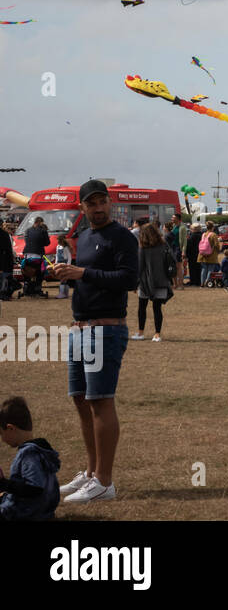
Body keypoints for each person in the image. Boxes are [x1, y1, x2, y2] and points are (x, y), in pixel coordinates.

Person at [48, 180, 138, 504]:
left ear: (109, 203)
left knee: (101, 401)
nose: (98, 208)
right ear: (82, 208)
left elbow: (129, 279)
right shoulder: (83, 237)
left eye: (103, 202)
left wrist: (82, 273)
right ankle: (90, 473)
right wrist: (65, 274)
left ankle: (104, 481)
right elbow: (85, 276)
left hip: (105, 329)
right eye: (92, 204)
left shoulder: (123, 237)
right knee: (81, 400)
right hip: (79, 328)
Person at [0, 397, 61, 521]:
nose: (2, 439)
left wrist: (4, 484)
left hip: (25, 513)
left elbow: (34, 489)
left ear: (11, 428)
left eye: (1, 434)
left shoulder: (29, 454)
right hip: (44, 511)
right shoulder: (42, 449)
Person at [132, 223, 175, 343]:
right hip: (161, 280)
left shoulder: (143, 247)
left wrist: (135, 283)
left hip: (146, 281)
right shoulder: (163, 244)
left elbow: (140, 267)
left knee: (142, 307)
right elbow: (171, 260)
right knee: (157, 308)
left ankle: (141, 332)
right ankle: (157, 334)